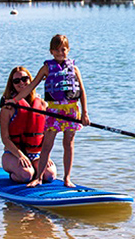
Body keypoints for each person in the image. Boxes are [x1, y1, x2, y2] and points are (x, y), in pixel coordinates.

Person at [9, 34, 89, 188]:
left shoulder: (75, 68)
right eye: (56, 50)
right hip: (54, 111)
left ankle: (67, 178)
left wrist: (85, 113)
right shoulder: (46, 68)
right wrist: (14, 100)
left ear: (68, 50)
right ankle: (38, 177)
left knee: (69, 144)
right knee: (47, 144)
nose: (60, 53)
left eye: (63, 50)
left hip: (71, 110)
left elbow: (82, 92)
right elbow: (31, 87)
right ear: (51, 51)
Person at [0, 67, 57, 184]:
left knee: (50, 175)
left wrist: (46, 156)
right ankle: (19, 174)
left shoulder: (42, 105)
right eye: (16, 81)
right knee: (26, 175)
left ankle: (35, 170)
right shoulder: (8, 109)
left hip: (36, 154)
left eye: (25, 79)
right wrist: (20, 156)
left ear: (31, 81)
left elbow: (47, 136)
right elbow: (5, 139)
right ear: (12, 84)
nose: (21, 83)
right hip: (13, 153)